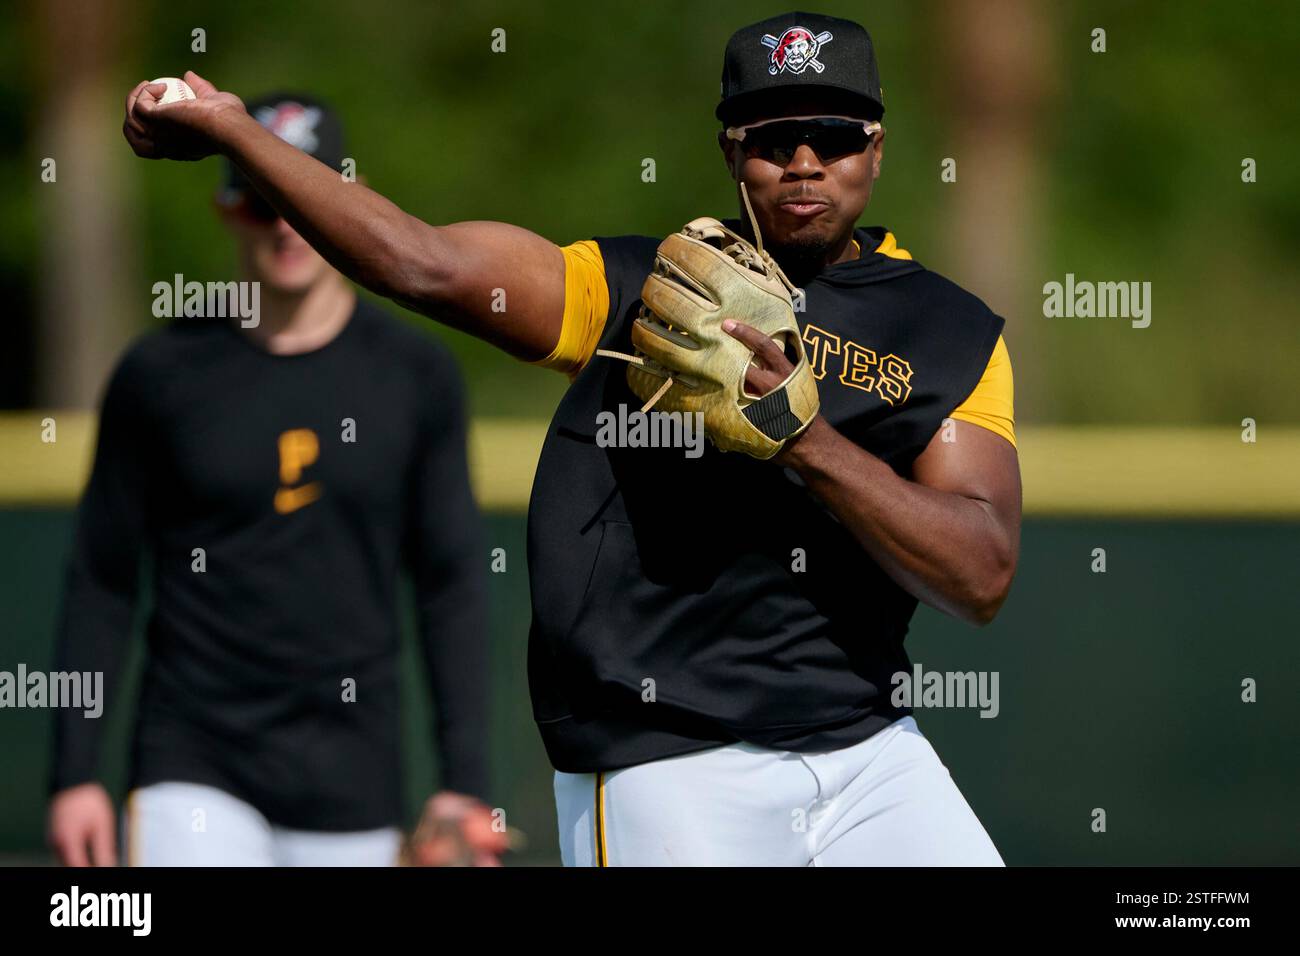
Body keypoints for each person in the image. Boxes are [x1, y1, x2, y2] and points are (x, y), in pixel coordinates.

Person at [121, 10, 1020, 866]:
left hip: (869, 752)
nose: (803, 161)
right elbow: (422, 263)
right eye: (771, 139)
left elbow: (979, 574)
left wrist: (804, 441)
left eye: (832, 132)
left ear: (877, 143)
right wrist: (238, 133)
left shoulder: (949, 335)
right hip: (667, 758)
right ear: (731, 154)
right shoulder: (640, 289)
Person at [49, 93, 498, 867]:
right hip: (191, 762)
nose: (286, 224)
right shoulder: (161, 374)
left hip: (354, 775)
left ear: (343, 204)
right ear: (229, 209)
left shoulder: (414, 375)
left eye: (302, 195)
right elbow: (102, 580)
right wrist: (73, 774)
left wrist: (466, 781)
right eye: (262, 200)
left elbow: (451, 582)